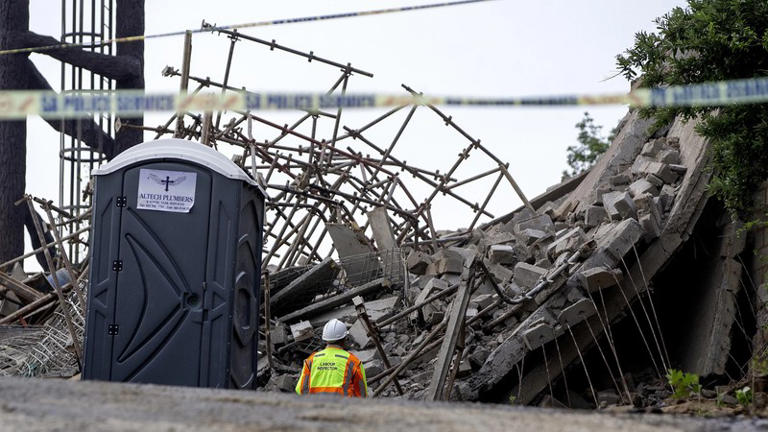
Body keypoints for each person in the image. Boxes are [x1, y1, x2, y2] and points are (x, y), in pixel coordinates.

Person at [295, 318, 368, 397]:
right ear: (345, 339)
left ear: (325, 339)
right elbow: (361, 393)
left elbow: (300, 390)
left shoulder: (311, 360)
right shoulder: (352, 361)